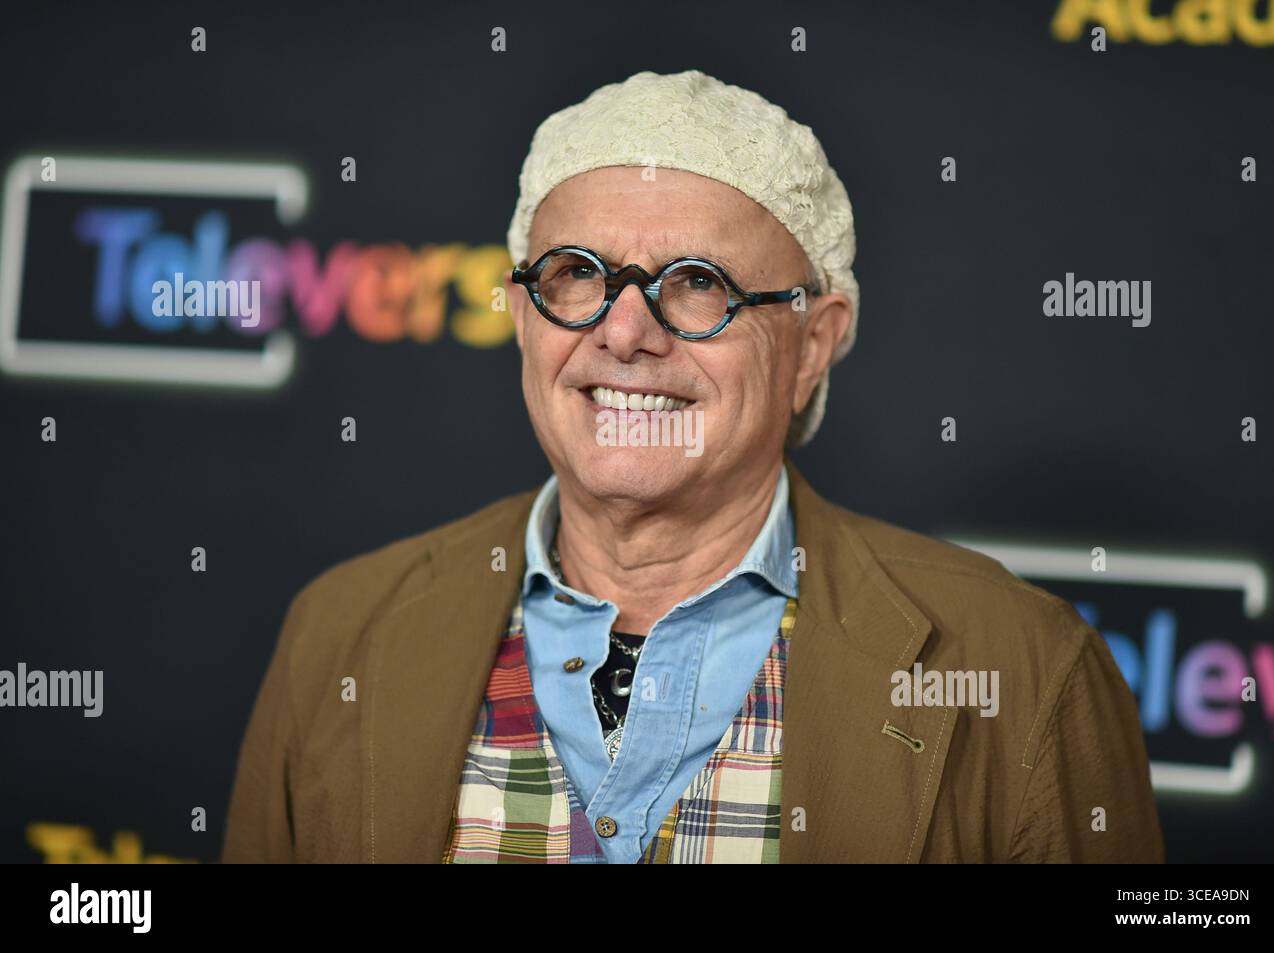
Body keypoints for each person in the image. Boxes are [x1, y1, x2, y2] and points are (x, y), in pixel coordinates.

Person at [221, 69, 1163, 863]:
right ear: (519, 314)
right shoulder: (340, 635)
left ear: (812, 345)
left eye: (698, 283)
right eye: (576, 275)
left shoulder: (1024, 670)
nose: (624, 331)